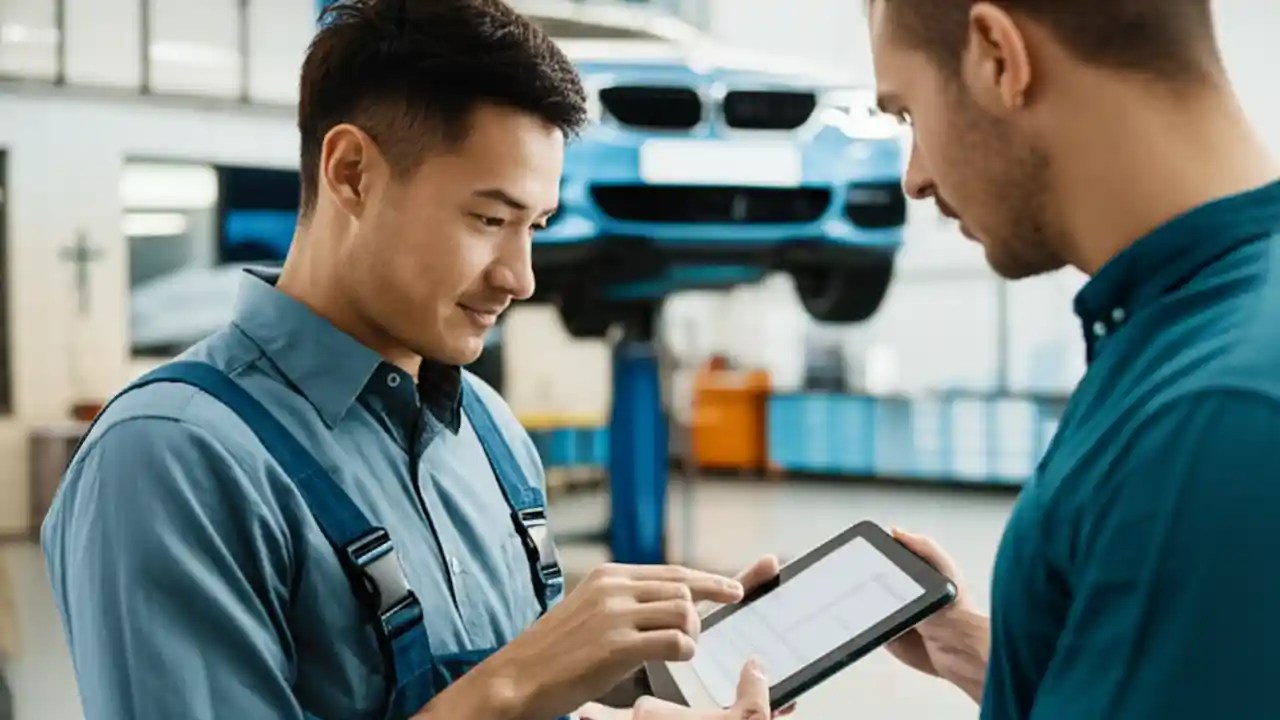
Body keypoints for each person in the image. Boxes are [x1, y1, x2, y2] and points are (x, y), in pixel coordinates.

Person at [41, 1, 779, 718]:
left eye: (535, 226)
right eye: (489, 219)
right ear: (352, 172)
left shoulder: (489, 435)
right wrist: (511, 687)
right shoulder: (172, 459)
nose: (520, 277)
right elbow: (516, 693)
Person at [865, 0, 1280, 717]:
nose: (915, 178)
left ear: (997, 57)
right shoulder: (1184, 331)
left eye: (909, 114)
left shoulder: (1214, 418)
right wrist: (995, 656)